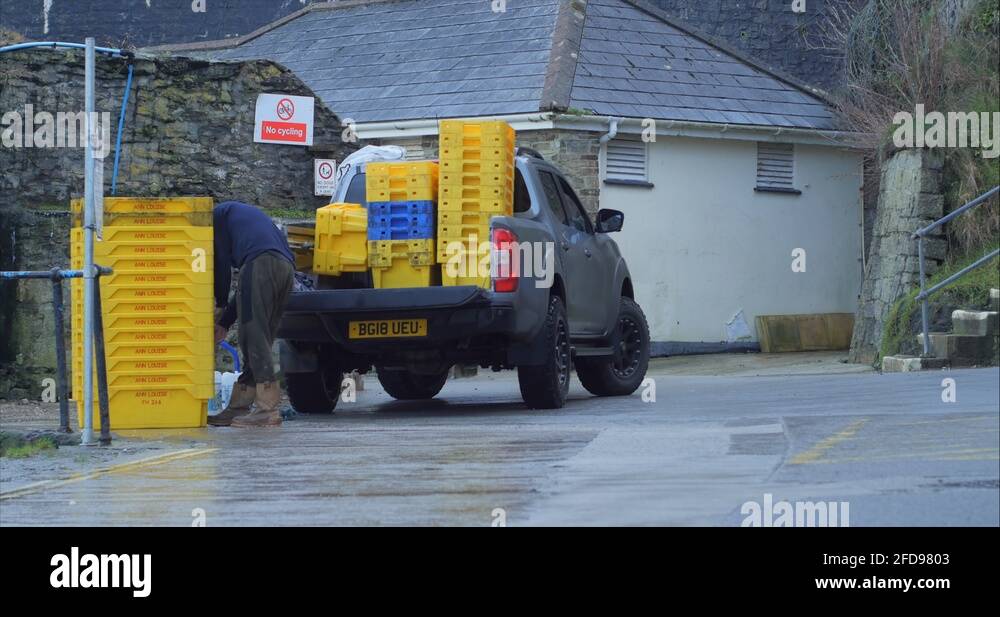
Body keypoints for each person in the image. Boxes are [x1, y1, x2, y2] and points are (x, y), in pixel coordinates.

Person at [209, 201, 295, 428]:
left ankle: (267, 409)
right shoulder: (241, 219)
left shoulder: (216, 218)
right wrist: (226, 322)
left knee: (252, 336)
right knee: (260, 336)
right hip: (286, 269)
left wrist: (218, 305)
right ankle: (240, 406)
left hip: (261, 263)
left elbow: (221, 264)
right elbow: (245, 294)